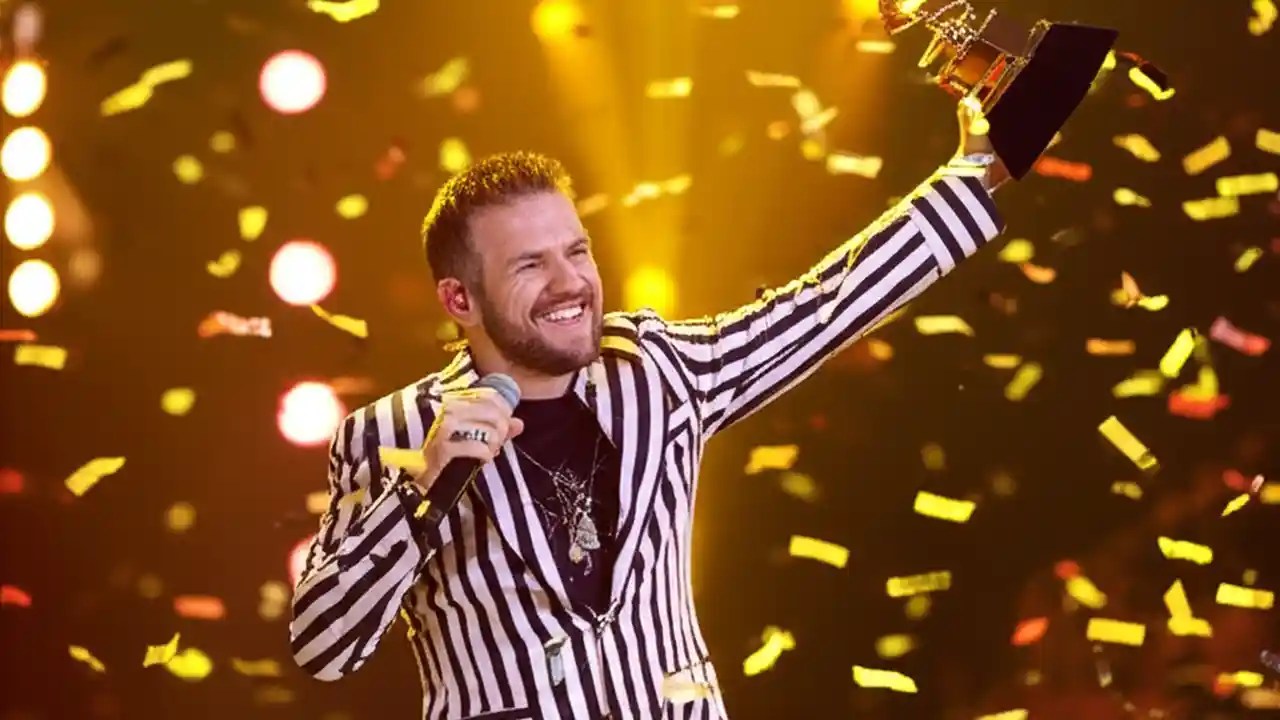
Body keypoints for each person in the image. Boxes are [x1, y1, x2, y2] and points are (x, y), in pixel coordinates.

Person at [289, 104, 1009, 719]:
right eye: (530, 264)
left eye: (577, 250)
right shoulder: (391, 436)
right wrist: (425, 487)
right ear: (459, 301)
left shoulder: (655, 371)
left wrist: (972, 176)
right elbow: (325, 646)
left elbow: (821, 311)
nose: (571, 282)